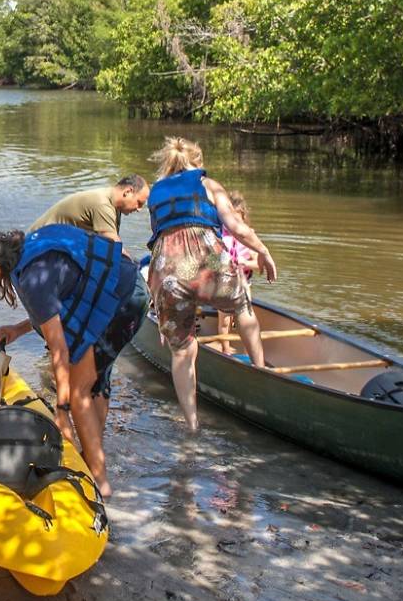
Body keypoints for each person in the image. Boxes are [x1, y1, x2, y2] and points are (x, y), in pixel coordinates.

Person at [0, 224, 146, 498]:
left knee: (77, 394)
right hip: (131, 288)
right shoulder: (34, 246)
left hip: (119, 302)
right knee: (96, 381)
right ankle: (93, 456)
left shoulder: (31, 279)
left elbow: (59, 350)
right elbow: (59, 300)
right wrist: (18, 329)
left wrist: (62, 411)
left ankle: (100, 482)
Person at [145, 137, 277, 431]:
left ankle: (192, 425)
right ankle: (259, 370)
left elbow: (162, 232)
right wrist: (263, 252)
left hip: (166, 269)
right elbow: (235, 227)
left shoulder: (155, 192)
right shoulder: (209, 185)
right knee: (242, 305)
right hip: (208, 260)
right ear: (198, 162)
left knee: (182, 351)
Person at [30, 175, 151, 241]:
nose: (139, 209)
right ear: (128, 192)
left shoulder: (113, 205)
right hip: (35, 243)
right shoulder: (103, 203)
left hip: (54, 242)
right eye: (139, 203)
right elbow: (113, 244)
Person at [213, 192, 256, 357]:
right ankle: (226, 351)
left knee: (247, 320)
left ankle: (248, 353)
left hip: (244, 284)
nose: (234, 226)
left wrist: (245, 263)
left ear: (244, 218)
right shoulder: (219, 236)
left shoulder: (249, 237)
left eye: (237, 221)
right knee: (224, 321)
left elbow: (258, 263)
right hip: (223, 285)